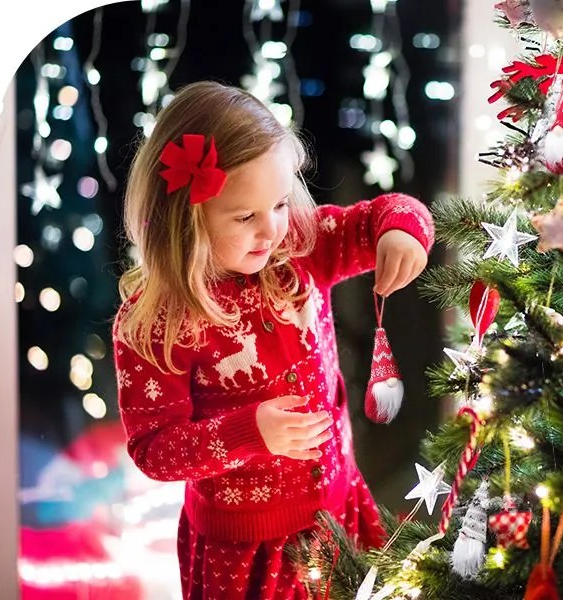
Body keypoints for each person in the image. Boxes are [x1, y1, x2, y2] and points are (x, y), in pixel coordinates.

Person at [112, 81, 434, 598]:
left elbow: (384, 213)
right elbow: (154, 449)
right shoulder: (157, 321)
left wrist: (400, 230)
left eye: (281, 204)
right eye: (245, 217)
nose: (273, 231)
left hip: (337, 510)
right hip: (244, 554)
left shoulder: (301, 250)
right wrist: (249, 432)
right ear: (185, 219)